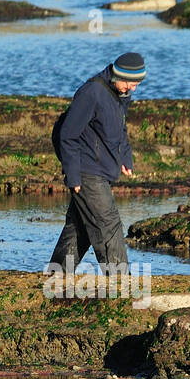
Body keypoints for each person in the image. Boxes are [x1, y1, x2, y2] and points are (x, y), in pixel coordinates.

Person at [48, 52, 145, 277]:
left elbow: (119, 129)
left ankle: (57, 275)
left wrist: (125, 156)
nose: (133, 89)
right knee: (108, 225)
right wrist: (73, 175)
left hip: (101, 170)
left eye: (137, 84)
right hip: (86, 172)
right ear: (118, 75)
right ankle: (120, 283)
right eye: (130, 83)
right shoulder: (91, 93)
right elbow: (68, 135)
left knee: (79, 227)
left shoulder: (120, 95)